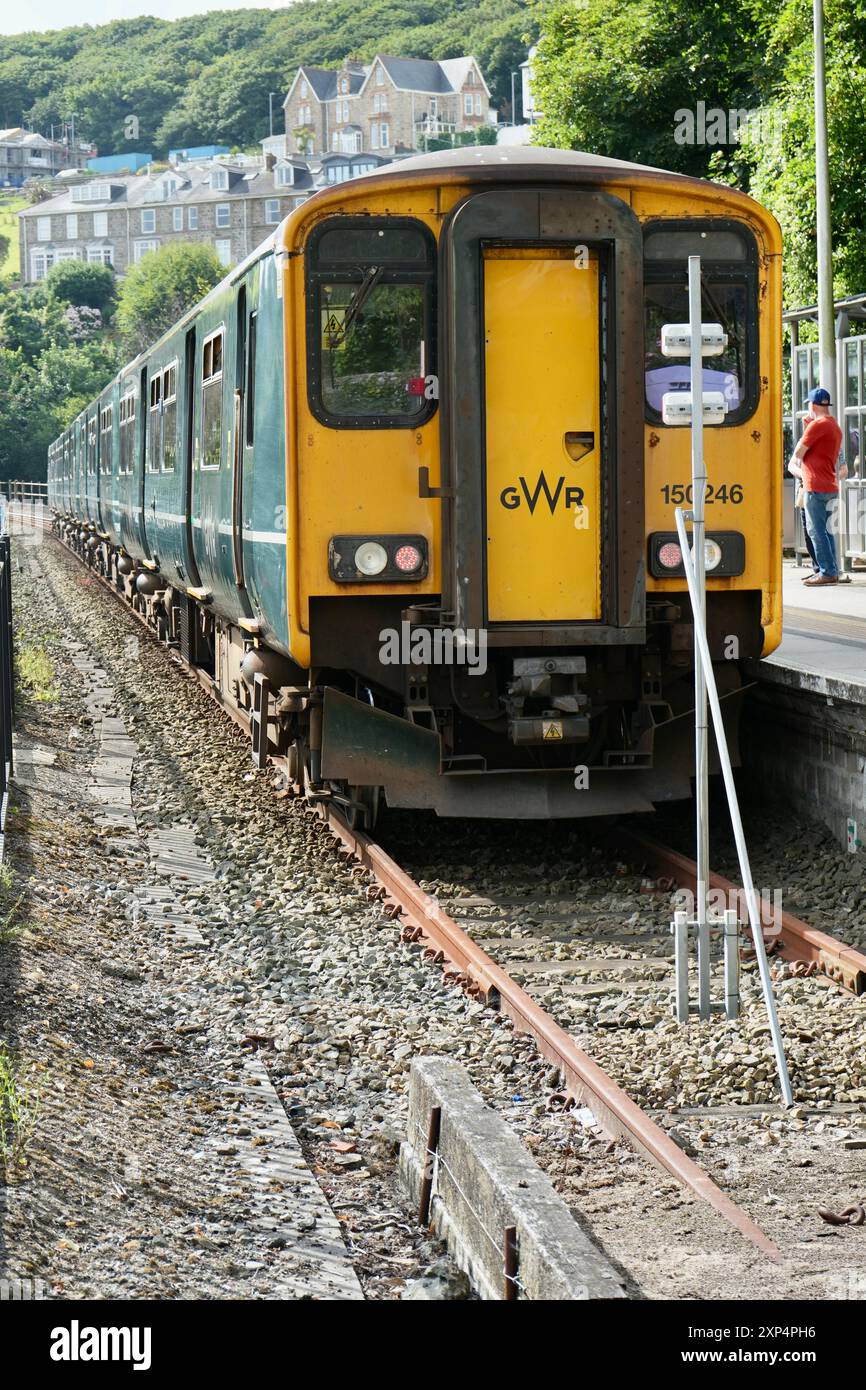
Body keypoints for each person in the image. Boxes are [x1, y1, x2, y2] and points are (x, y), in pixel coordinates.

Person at [787, 386, 846, 586]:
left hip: (814, 485)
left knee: (815, 531)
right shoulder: (835, 427)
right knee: (827, 531)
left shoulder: (816, 426)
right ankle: (832, 570)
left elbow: (798, 455)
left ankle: (826, 572)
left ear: (812, 405)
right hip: (830, 485)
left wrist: (808, 428)